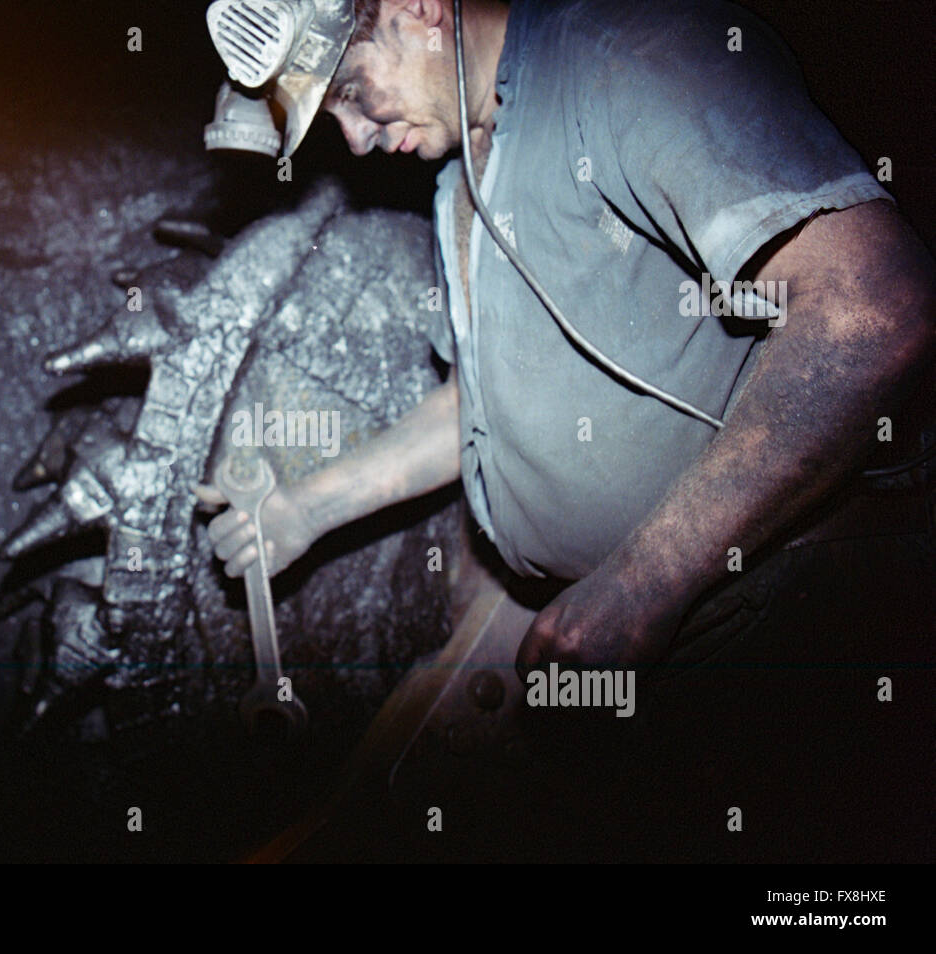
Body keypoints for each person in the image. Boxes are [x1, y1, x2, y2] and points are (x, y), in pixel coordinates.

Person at [203, 0, 935, 854]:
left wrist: (642, 585)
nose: (357, 139)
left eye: (354, 93)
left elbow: (873, 305)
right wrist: (303, 510)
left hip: (787, 605)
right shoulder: (462, 183)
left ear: (416, 11)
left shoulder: (629, 57)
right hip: (655, 630)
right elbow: (478, 407)